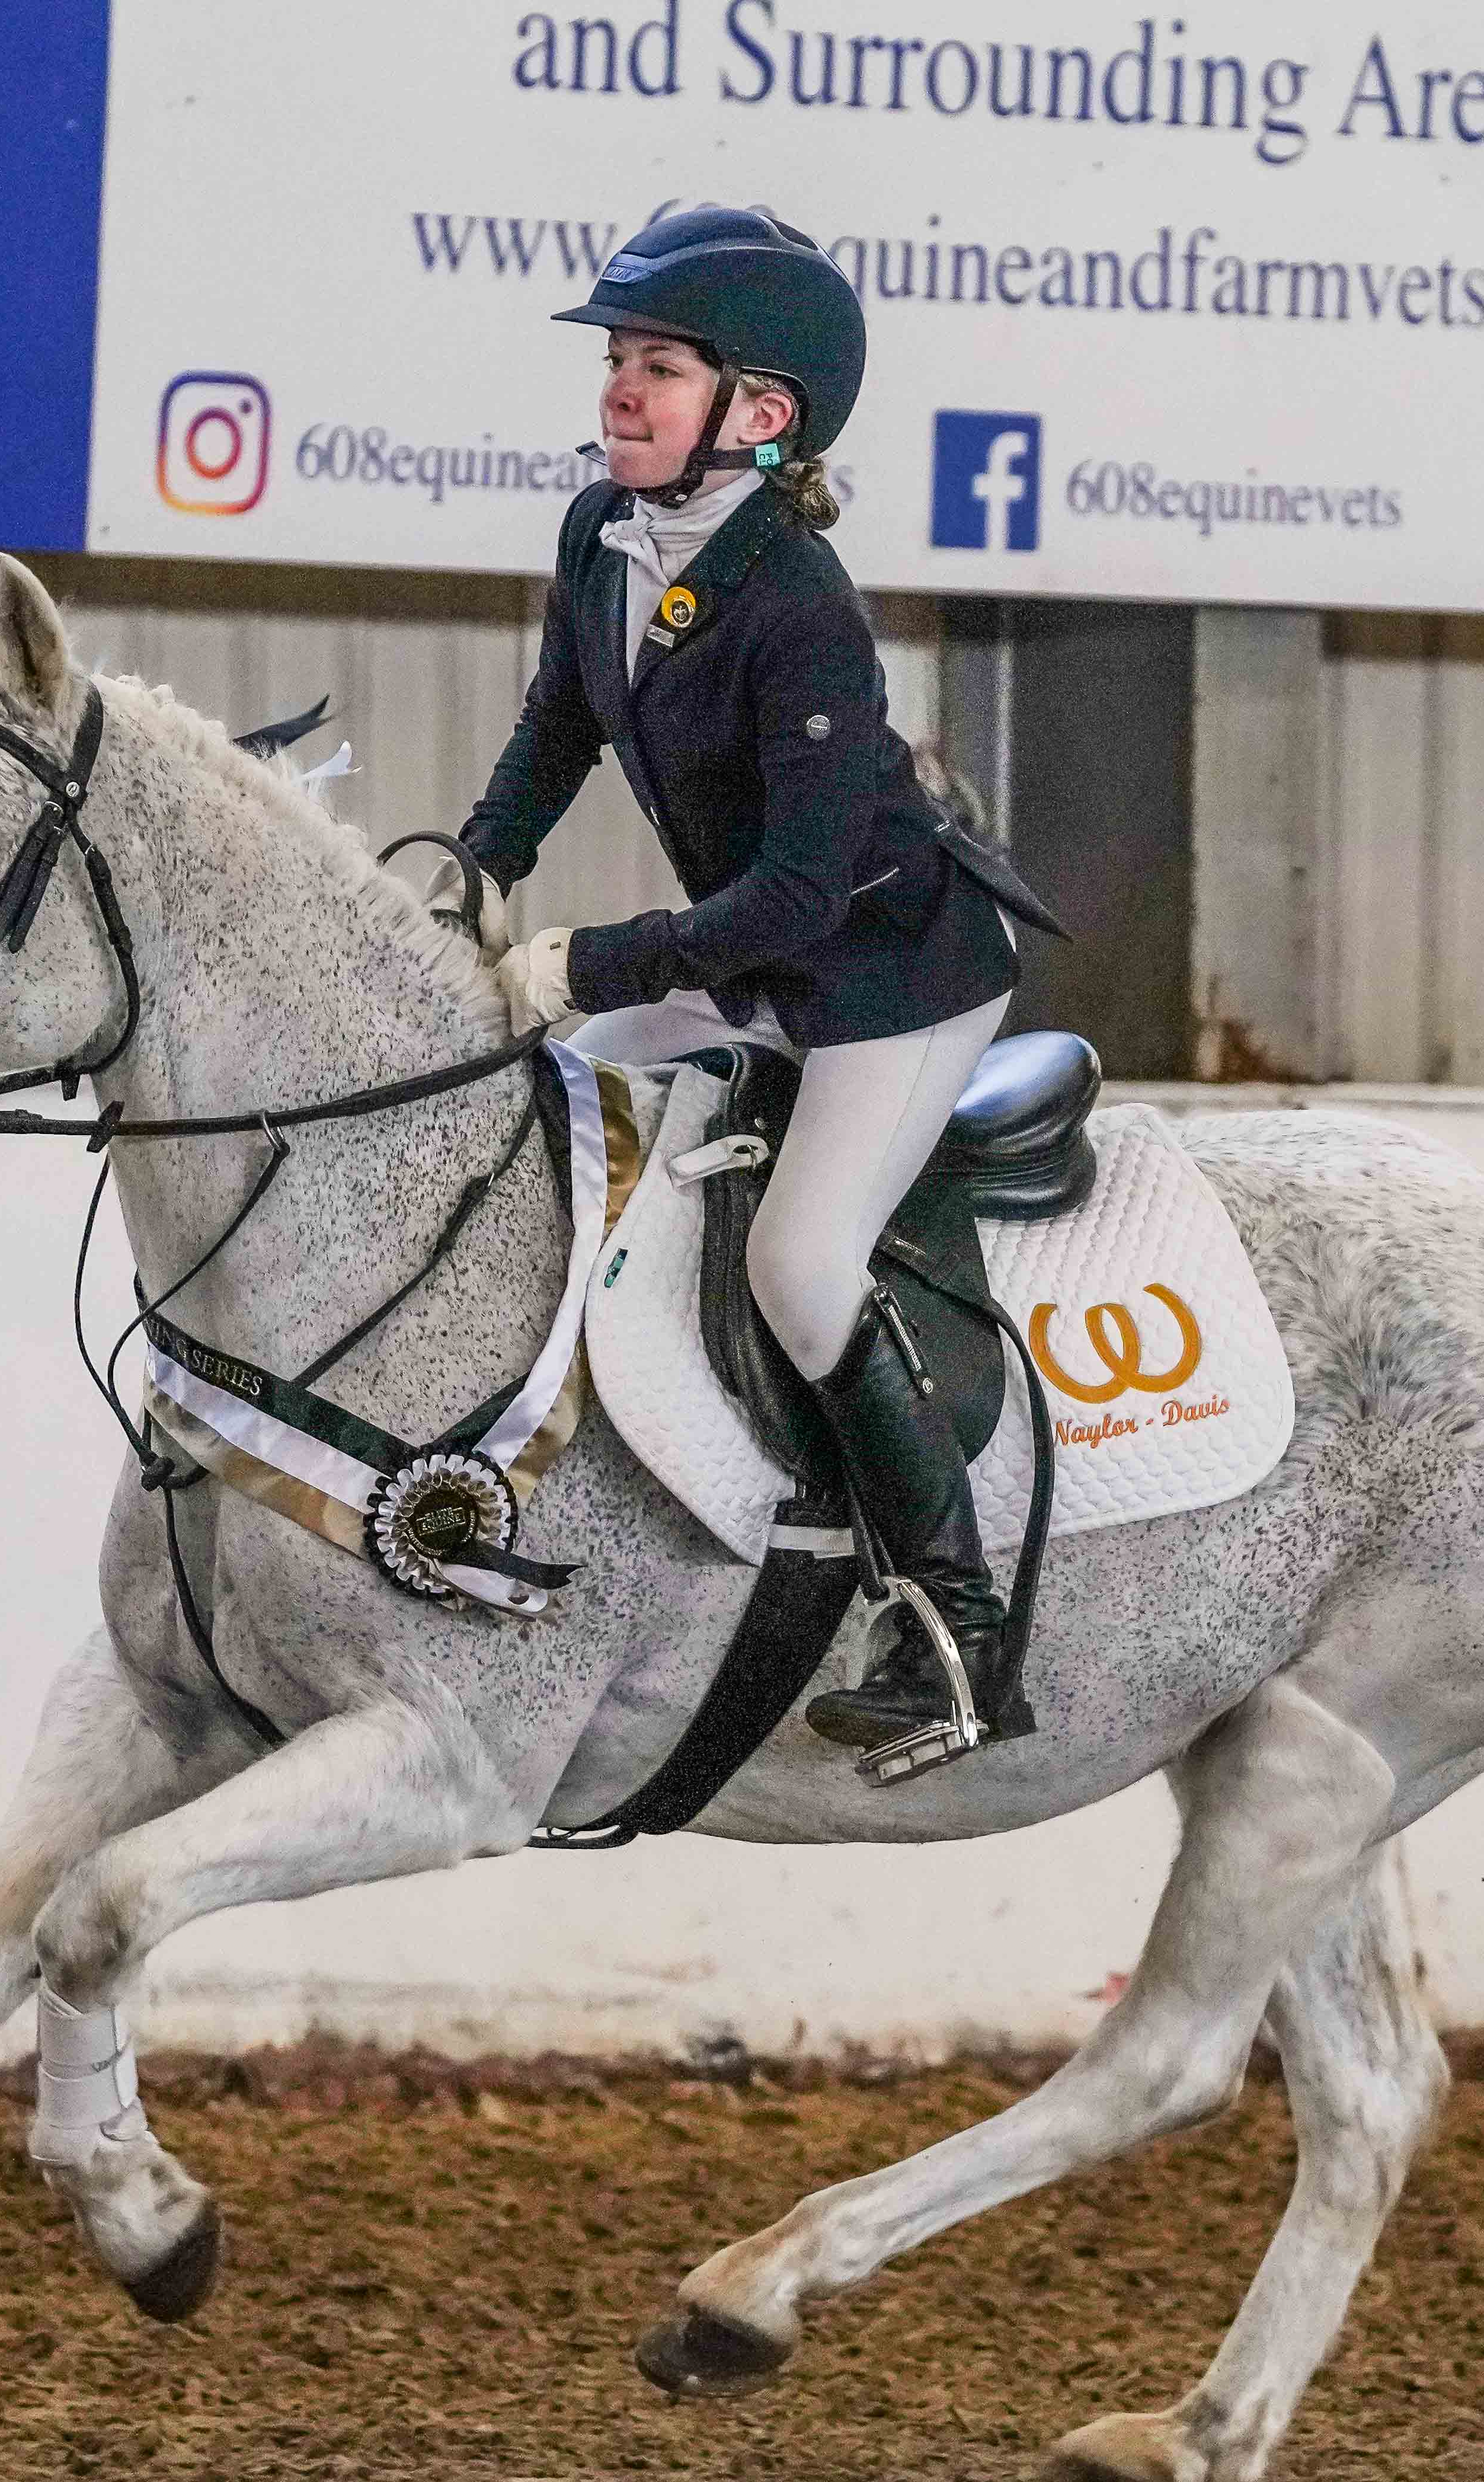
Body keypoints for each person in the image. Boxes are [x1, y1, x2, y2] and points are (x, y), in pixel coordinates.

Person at [462, 203, 1063, 1768]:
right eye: (617, 360)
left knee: (804, 1265)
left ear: (763, 413)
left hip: (888, 980)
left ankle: (958, 1629)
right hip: (755, 948)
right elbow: (557, 732)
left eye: (659, 367)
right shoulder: (604, 535)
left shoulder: (799, 604)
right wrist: (474, 868)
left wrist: (591, 956)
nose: (619, 390)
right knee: (567, 1078)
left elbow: (798, 899)